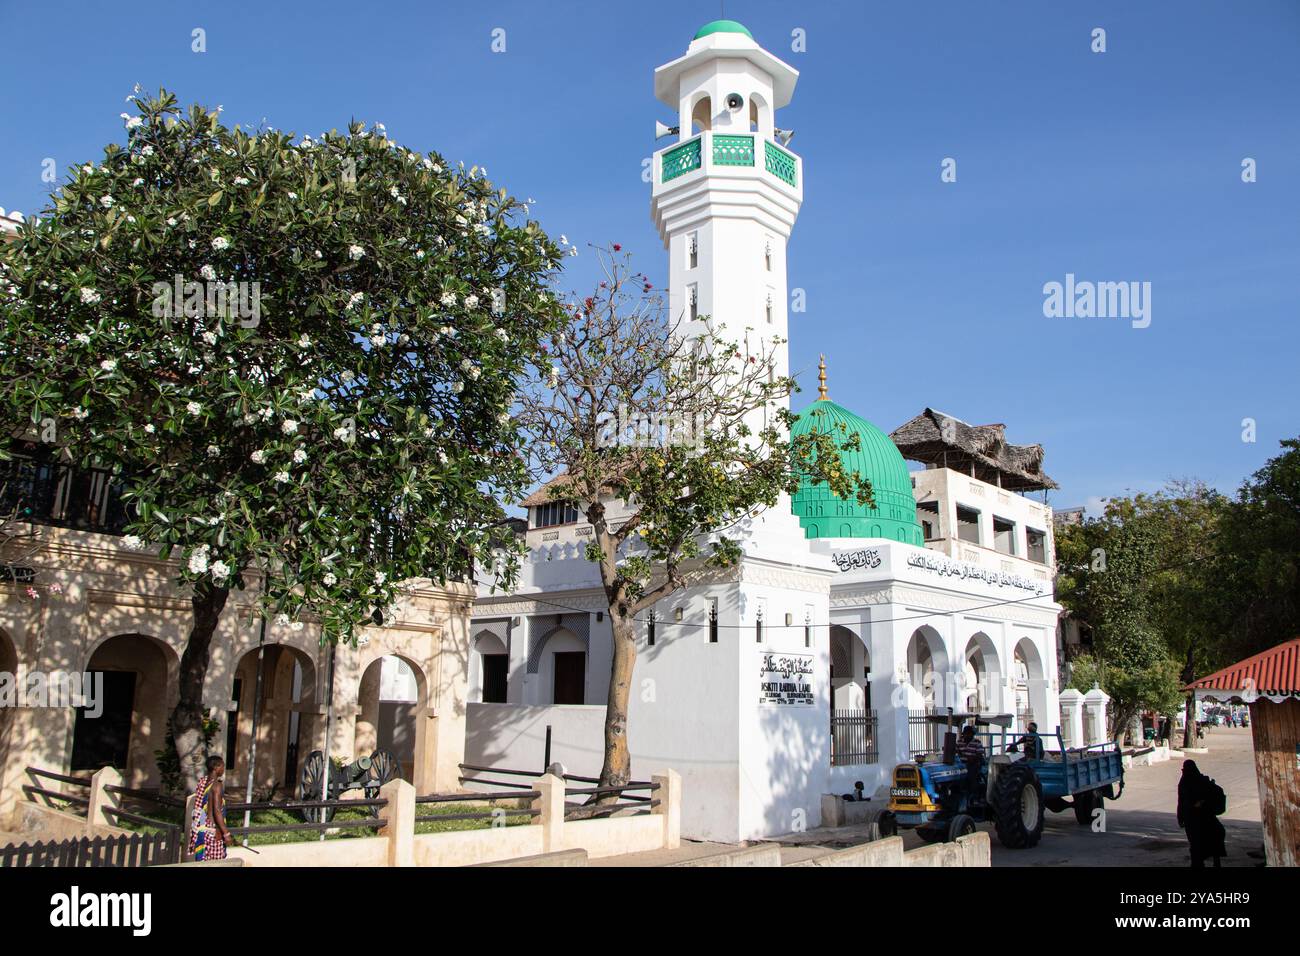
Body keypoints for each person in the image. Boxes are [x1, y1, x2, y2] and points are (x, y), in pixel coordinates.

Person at [1177, 759, 1227, 868]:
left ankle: (1201, 862)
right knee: (1209, 838)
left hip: (1195, 818)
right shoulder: (1199, 780)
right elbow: (1182, 801)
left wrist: (1180, 818)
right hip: (1199, 817)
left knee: (1198, 842)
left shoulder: (1185, 782)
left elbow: (1181, 801)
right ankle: (1208, 861)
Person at [188, 754, 234, 861]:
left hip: (202, 828)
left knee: (203, 862)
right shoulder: (217, 786)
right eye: (222, 766)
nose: (223, 769)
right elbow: (217, 811)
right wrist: (226, 833)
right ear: (216, 768)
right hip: (213, 830)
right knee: (215, 863)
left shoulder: (202, 782)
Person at [956, 725, 986, 801]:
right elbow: (956, 752)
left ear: (972, 734)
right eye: (966, 733)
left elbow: (979, 755)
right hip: (961, 764)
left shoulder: (977, 742)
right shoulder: (959, 742)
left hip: (972, 764)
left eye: (969, 734)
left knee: (971, 776)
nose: (967, 735)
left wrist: (972, 759)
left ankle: (973, 796)